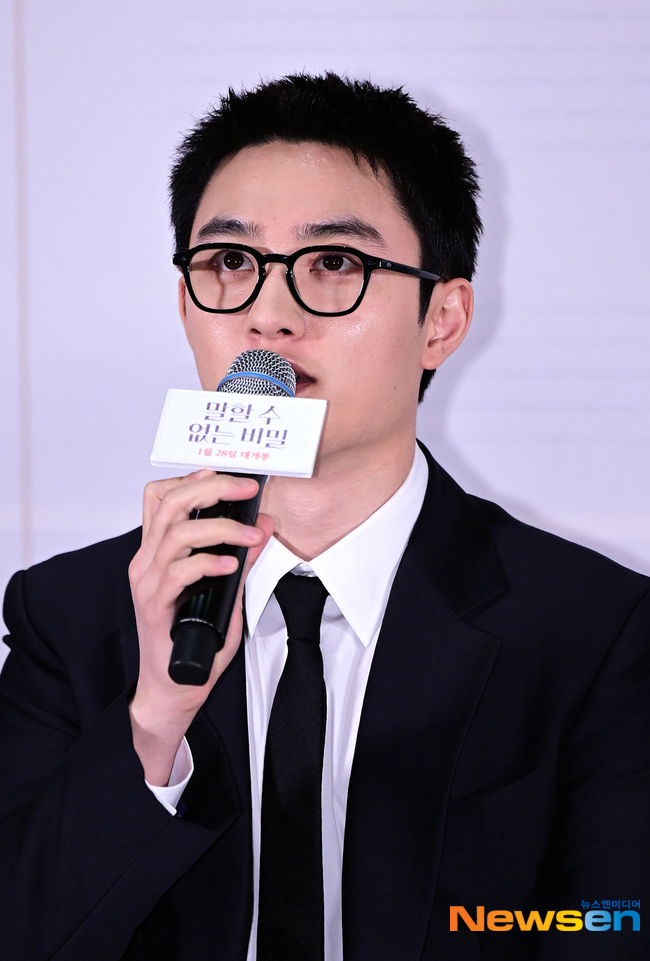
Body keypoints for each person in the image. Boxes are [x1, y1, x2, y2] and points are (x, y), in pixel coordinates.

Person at [1, 73, 648, 961]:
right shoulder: (71, 615)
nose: (268, 314)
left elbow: (611, 923)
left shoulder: (592, 628)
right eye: (231, 263)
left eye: (335, 263)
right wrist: (152, 717)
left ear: (442, 318)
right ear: (186, 306)